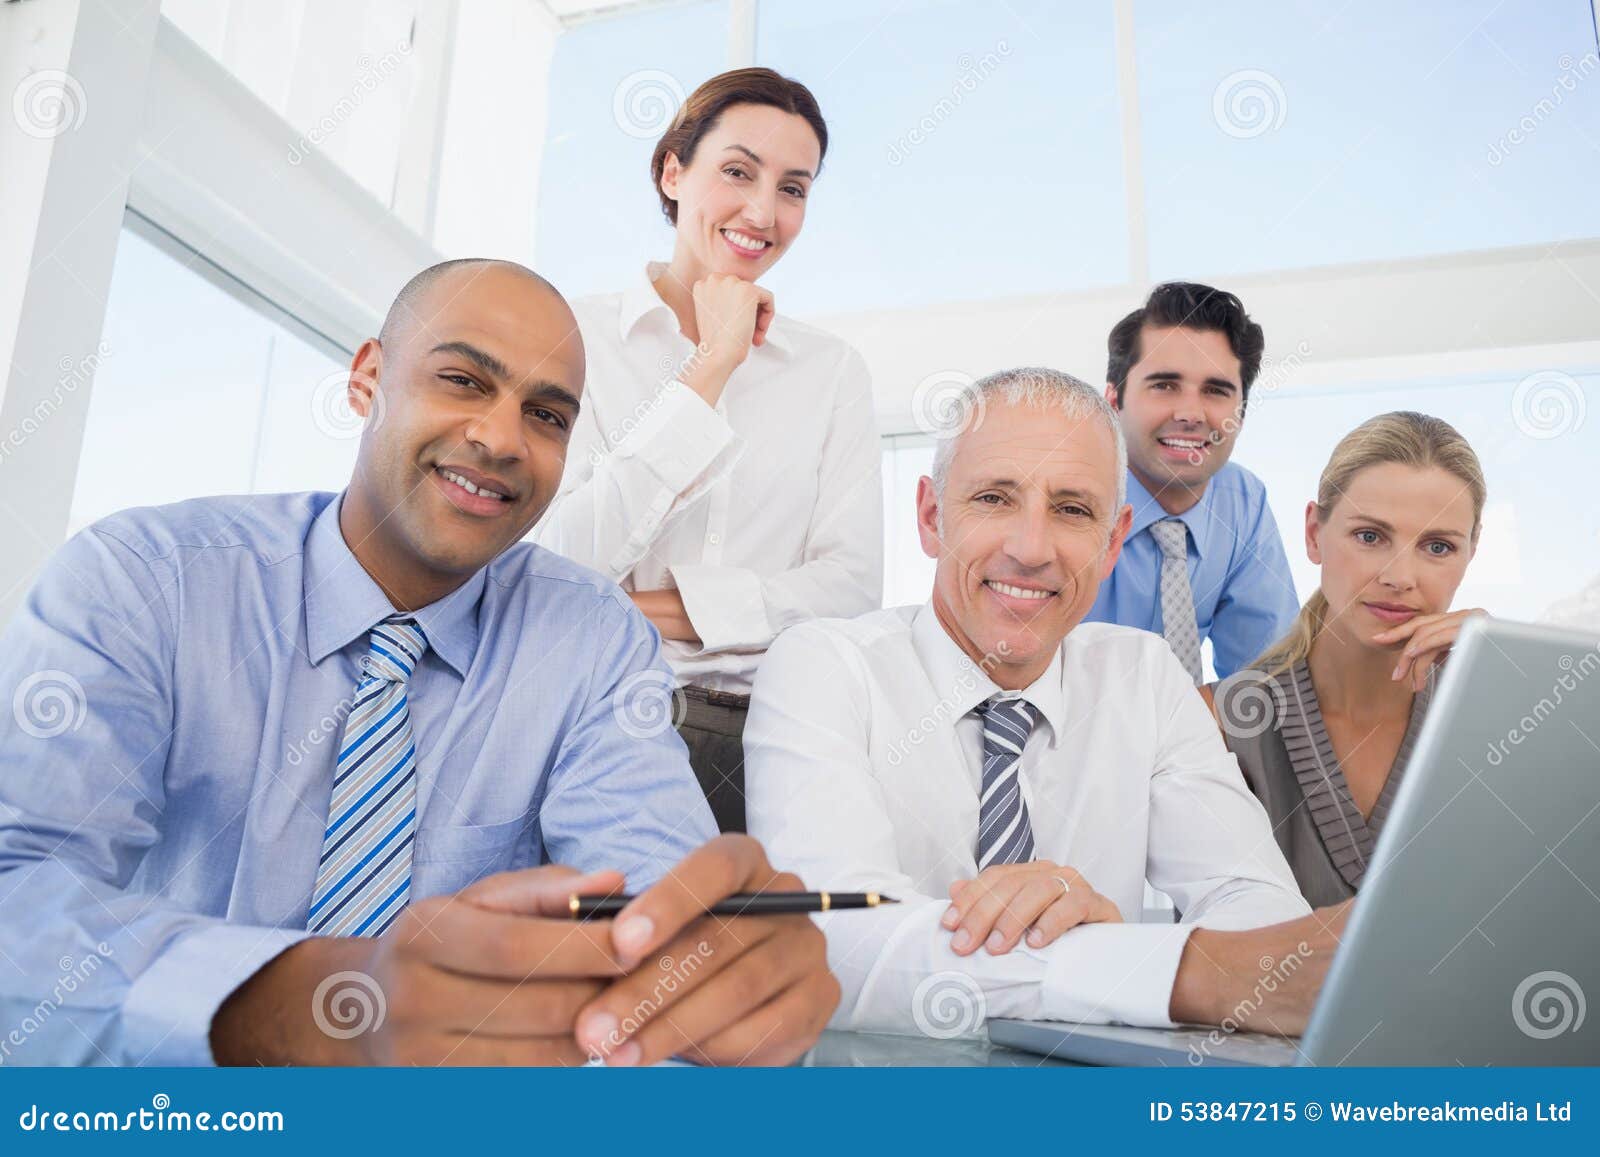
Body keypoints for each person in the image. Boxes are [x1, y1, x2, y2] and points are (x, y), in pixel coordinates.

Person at [0, 259, 837, 1067]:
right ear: (367, 379)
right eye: (464, 381)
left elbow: (659, 909)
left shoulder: (592, 641)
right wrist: (305, 1001)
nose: (500, 437)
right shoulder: (143, 581)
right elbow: (17, 892)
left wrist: (712, 977)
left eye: (546, 415)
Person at [745, 367, 1345, 1038]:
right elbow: (836, 941)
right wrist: (1110, 961)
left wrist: (1112, 959)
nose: (1030, 549)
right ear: (931, 516)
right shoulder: (823, 667)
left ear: (1113, 540)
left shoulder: (1144, 678)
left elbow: (1265, 920)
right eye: (996, 498)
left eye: (1071, 509)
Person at [532, 68, 883, 834]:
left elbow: (850, 591)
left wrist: (631, 607)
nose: (763, 211)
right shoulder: (573, 338)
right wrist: (713, 363)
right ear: (672, 170)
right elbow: (560, 557)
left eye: (794, 188)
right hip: (604, 726)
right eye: (737, 171)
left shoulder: (831, 373)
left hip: (784, 742)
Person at [1202, 412, 1487, 908]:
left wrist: (1512, 678)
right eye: (1370, 537)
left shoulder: (1498, 715)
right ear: (1314, 533)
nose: (1401, 576)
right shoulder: (1216, 724)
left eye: (1437, 546)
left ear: (1471, 551)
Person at [1084, 282, 1298, 682]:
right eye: (1164, 385)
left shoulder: (1242, 503)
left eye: (1216, 391)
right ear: (1114, 401)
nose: (1190, 413)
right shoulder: (1064, 496)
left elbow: (1268, 680)